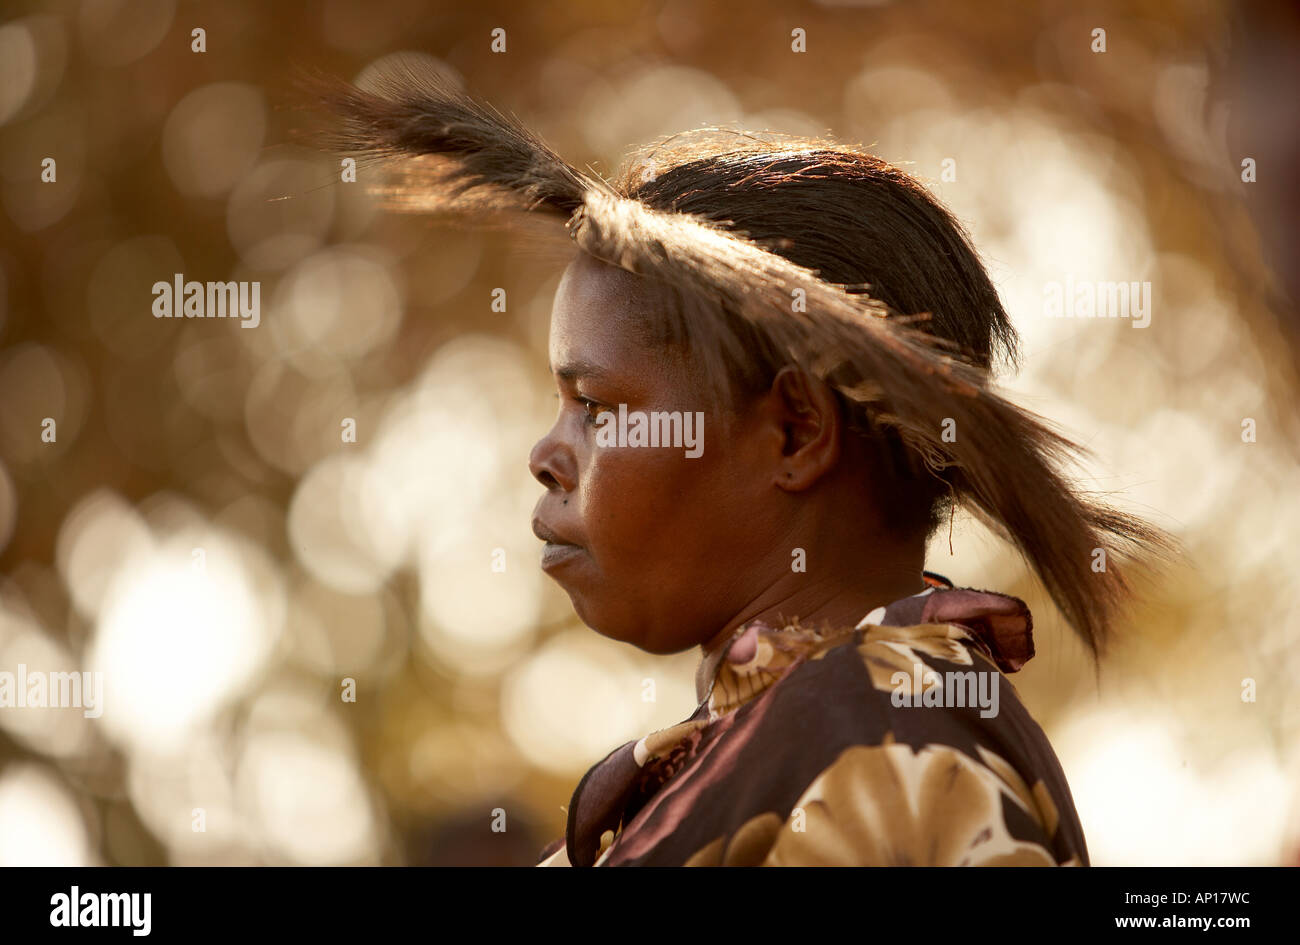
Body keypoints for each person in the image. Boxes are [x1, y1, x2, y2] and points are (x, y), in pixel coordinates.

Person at [312, 63, 1173, 866]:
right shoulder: (783, 742)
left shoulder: (887, 749)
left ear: (796, 434)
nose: (545, 456)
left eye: (598, 409)